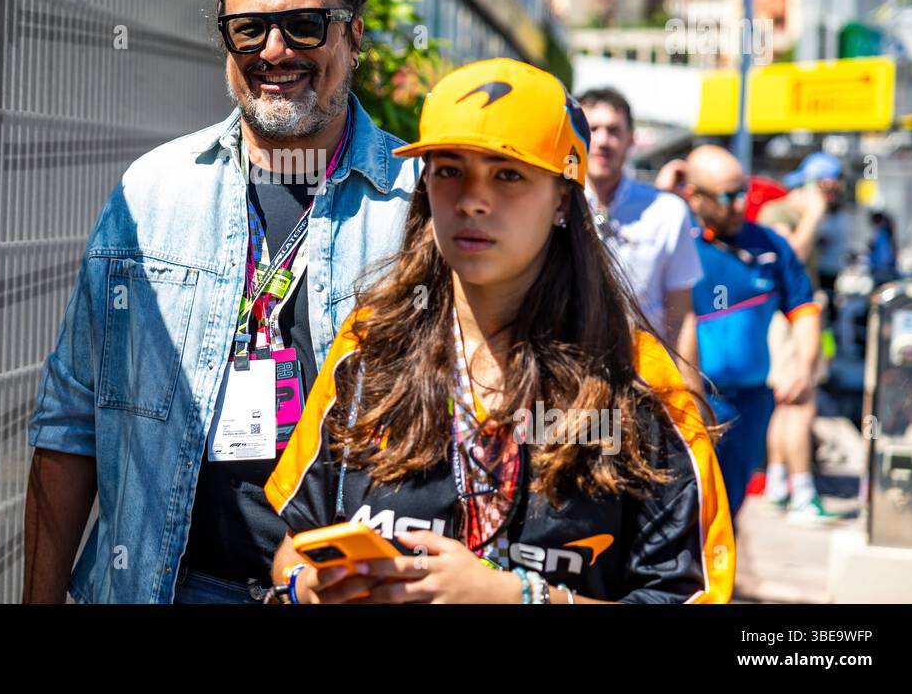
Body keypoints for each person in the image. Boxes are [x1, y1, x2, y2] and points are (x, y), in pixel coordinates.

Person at [23, 0, 419, 604]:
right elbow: (72, 414)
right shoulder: (151, 193)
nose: (275, 50)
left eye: (305, 24)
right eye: (249, 30)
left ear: (353, 35)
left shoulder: (417, 204)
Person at [262, 59, 733, 604]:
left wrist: (517, 599)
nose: (471, 200)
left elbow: (687, 595)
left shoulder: (639, 381)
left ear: (563, 196)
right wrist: (306, 588)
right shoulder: (369, 347)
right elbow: (294, 546)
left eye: (508, 174)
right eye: (448, 169)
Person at [683, 145, 822, 521]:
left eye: (742, 191)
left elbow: (805, 310)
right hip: (687, 402)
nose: (741, 204)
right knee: (685, 510)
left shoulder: (770, 247)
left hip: (748, 403)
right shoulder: (678, 242)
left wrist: (804, 368)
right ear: (695, 196)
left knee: (728, 511)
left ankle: (725, 580)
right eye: (729, 196)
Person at [578, 88, 703, 392]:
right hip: (571, 375)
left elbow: (682, 315)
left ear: (631, 139)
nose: (603, 140)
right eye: (593, 129)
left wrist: (689, 394)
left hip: (644, 382)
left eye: (614, 130)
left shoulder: (667, 212)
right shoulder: (552, 204)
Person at [756, 152, 845, 522]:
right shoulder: (781, 213)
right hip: (790, 320)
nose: (834, 196)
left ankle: (779, 484)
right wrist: (811, 216)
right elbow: (788, 258)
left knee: (786, 403)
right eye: (830, 187)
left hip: (800, 318)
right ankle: (803, 492)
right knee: (801, 401)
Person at [869, 210, 897, 287]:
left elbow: (882, 251)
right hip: (882, 265)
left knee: (882, 287)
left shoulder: (883, 231)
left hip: (882, 266)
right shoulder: (881, 231)